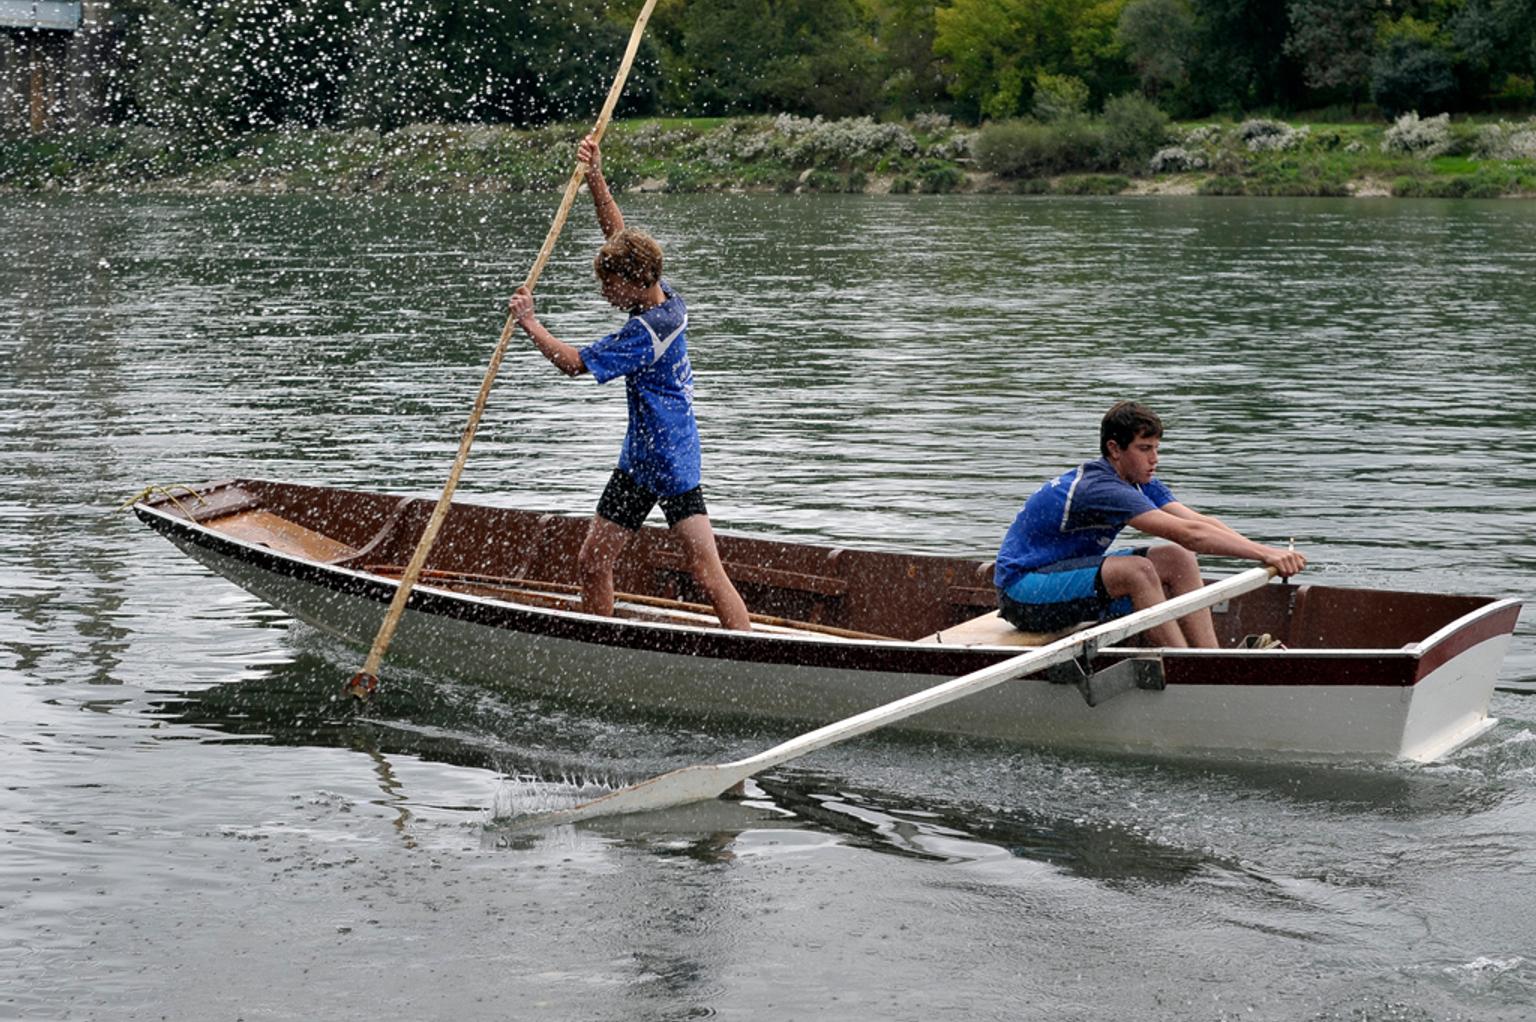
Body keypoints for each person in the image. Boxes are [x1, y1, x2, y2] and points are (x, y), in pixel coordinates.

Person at [508, 134, 751, 632]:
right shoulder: (662, 297)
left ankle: (751, 655)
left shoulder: (647, 333)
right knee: (596, 563)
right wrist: (596, 176)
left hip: (661, 463)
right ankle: (600, 648)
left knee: (703, 572)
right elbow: (617, 236)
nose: (604, 293)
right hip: (655, 454)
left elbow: (574, 364)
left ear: (635, 281)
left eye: (608, 285)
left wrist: (530, 324)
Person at [993, 400, 1307, 648]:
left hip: (1062, 575)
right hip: (1022, 595)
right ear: (1115, 450)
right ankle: (1183, 667)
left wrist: (1267, 550)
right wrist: (1264, 555)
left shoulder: (1140, 480)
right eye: (1144, 449)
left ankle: (1210, 659)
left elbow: (1199, 522)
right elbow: (1191, 535)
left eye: (1156, 448)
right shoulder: (1100, 487)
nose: (1154, 458)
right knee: (1137, 570)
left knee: (1176, 558)